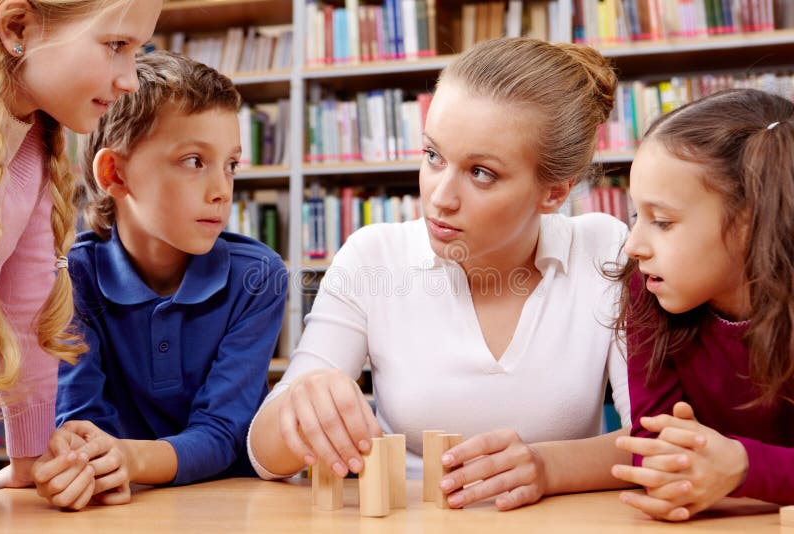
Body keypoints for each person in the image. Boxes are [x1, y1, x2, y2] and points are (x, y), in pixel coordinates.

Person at [249, 36, 632, 511]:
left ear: (553, 193)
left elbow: (656, 440)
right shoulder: (374, 256)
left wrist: (549, 467)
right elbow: (265, 457)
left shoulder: (606, 251)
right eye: (433, 156)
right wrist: (302, 409)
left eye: (481, 173)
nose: (439, 196)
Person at [32, 51, 288, 510]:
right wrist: (79, 463)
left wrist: (126, 457)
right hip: (123, 506)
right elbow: (82, 421)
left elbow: (225, 433)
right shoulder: (70, 276)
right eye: (194, 161)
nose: (222, 189)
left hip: (238, 505)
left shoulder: (258, 276)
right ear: (115, 173)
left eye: (230, 164)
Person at [0, 0, 161, 491]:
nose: (130, 79)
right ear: (16, 28)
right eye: (115, 46)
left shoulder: (30, 147)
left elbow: (28, 311)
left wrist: (32, 458)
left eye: (137, 50)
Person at [608, 88, 794, 521]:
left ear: (750, 221)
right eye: (636, 216)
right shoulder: (648, 291)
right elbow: (650, 449)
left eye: (663, 221)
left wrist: (742, 466)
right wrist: (677, 469)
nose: (634, 245)